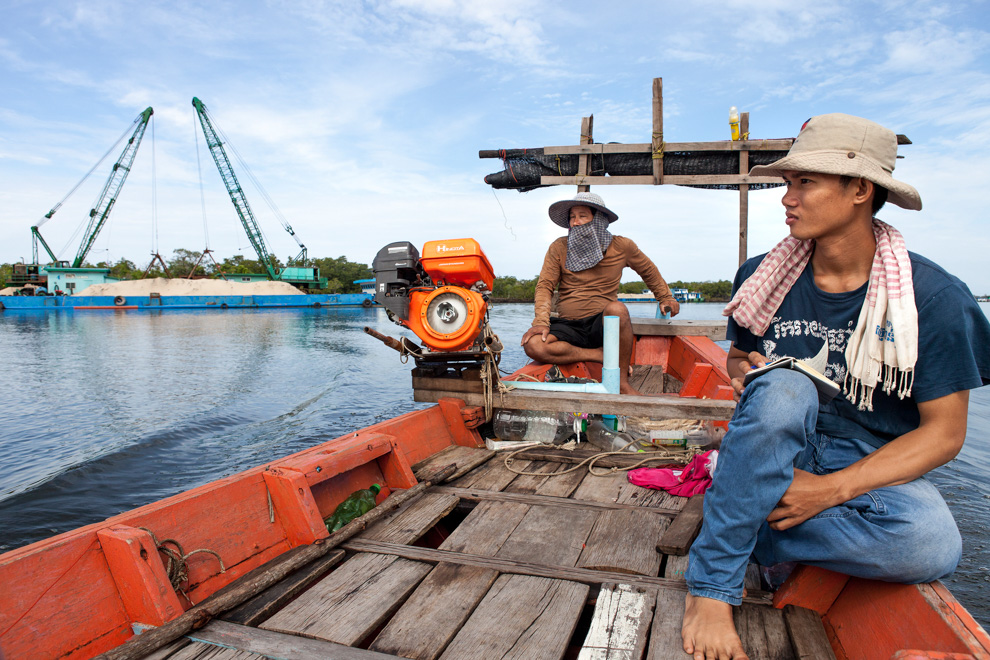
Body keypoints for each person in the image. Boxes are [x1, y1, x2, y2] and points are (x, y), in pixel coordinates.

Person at [681, 113, 990, 659]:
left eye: (805, 182)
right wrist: (746, 377)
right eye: (787, 183)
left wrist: (832, 488)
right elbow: (734, 360)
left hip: (868, 457)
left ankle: (740, 519)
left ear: (860, 191)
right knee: (785, 391)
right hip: (775, 443)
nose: (787, 198)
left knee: (930, 542)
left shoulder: (935, 297)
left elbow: (944, 434)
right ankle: (711, 585)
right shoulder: (763, 274)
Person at [520, 192, 680, 394]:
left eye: (582, 216)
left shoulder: (622, 246)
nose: (576, 222)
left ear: (598, 220)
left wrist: (665, 297)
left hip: (604, 326)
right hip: (569, 325)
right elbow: (545, 286)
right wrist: (541, 321)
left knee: (618, 309)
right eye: (572, 217)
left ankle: (621, 382)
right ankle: (598, 355)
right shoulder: (559, 247)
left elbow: (648, 270)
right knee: (534, 346)